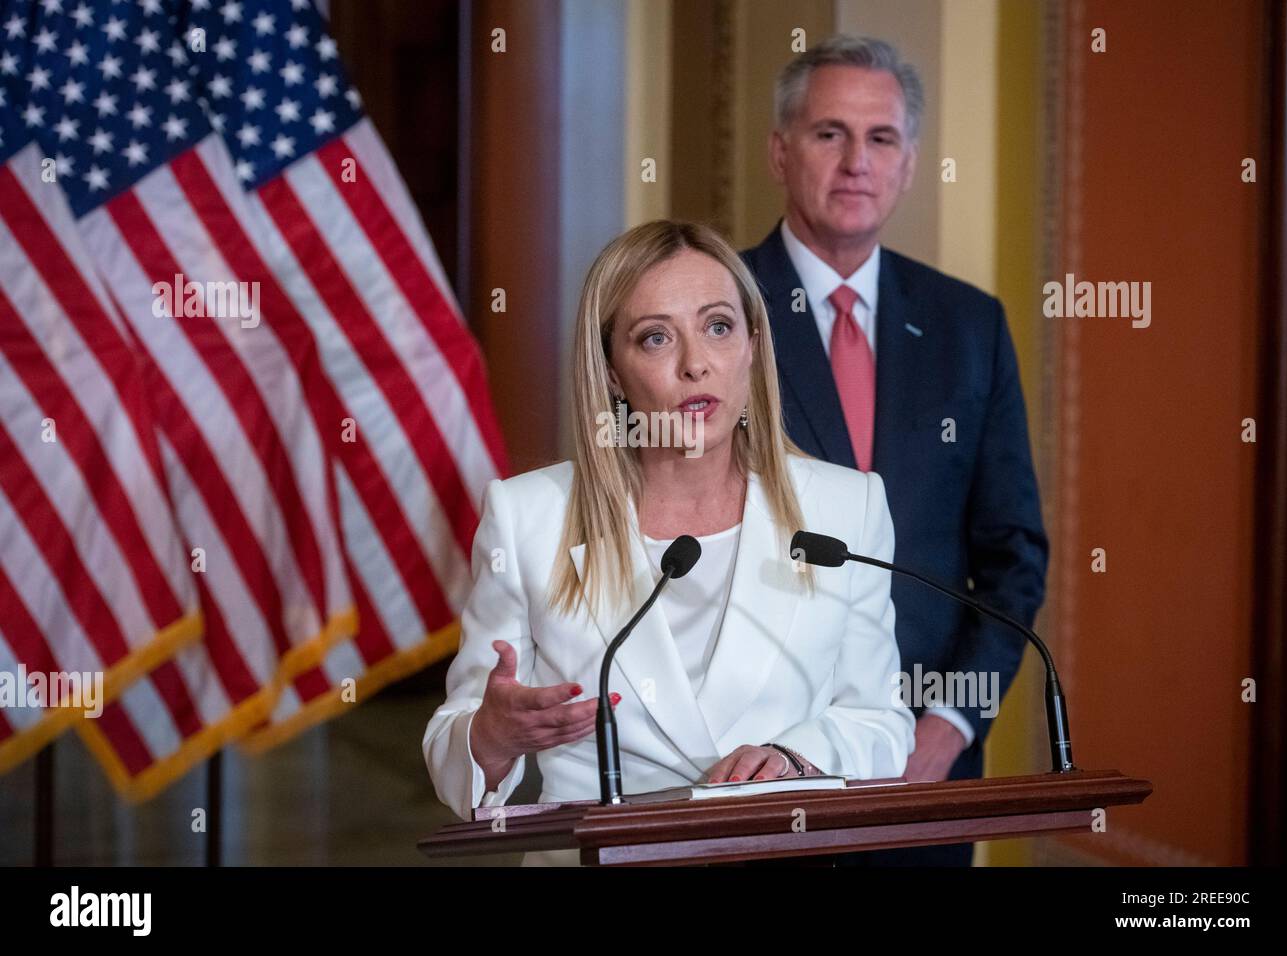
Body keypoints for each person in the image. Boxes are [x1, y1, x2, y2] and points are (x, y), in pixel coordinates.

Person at [423, 220, 915, 866]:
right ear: (613, 374)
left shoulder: (846, 507)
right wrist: (491, 735)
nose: (695, 362)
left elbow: (880, 722)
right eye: (655, 337)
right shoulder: (528, 517)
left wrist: (798, 755)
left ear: (752, 345)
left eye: (718, 326)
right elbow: (456, 757)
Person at [740, 34, 1048, 866]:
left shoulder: (969, 325)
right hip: (754, 766)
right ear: (779, 150)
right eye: (828, 133)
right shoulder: (718, 310)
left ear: (910, 163)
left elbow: (1011, 554)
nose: (855, 162)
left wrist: (948, 727)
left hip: (923, 775)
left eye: (880, 139)